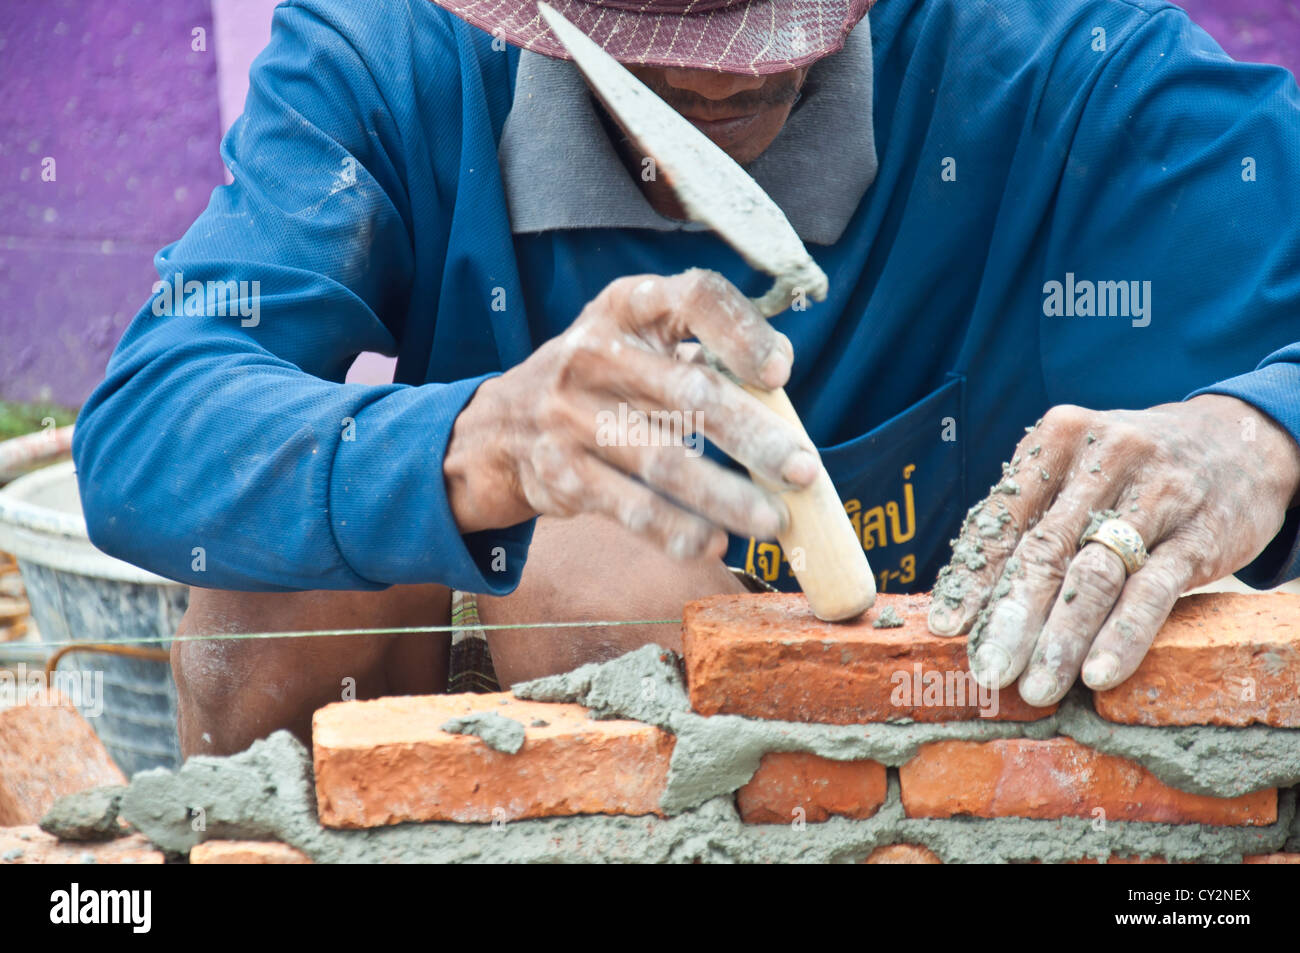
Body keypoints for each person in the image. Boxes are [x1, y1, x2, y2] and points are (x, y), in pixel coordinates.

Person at [73, 0, 1300, 754]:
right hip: (533, 758)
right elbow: (148, 423)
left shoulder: (1064, 62)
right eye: (668, 42)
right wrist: (476, 445)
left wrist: (1261, 429)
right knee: (329, 574)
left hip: (926, 783)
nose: (733, 78)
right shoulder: (393, 45)